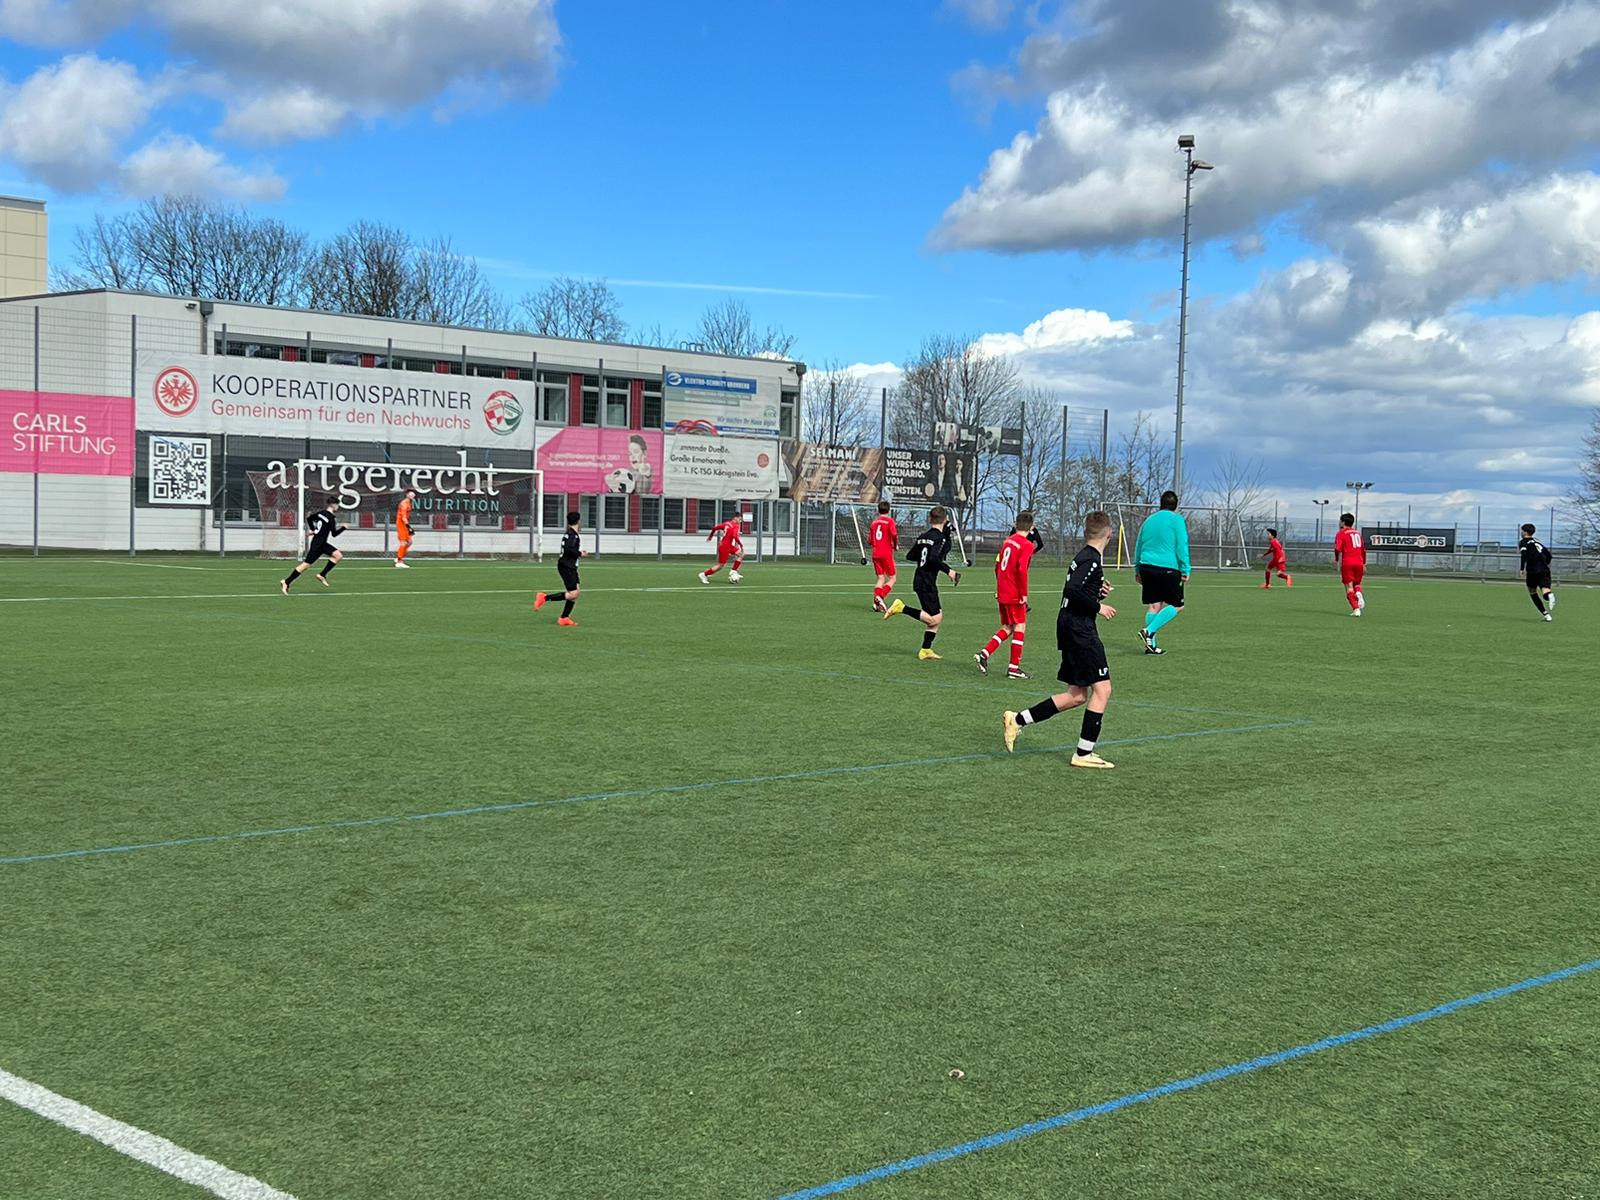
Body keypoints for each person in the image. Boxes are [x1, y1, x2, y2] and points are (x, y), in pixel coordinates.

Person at [1003, 511, 1119, 768]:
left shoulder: (1085, 558)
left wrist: (1097, 593)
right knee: (1103, 689)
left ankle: (1017, 720)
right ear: (1109, 534)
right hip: (1079, 630)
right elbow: (1072, 589)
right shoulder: (1090, 560)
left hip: (1070, 626)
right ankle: (1083, 753)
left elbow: (1080, 590)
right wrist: (1098, 607)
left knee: (1077, 695)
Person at [884, 506, 961, 659]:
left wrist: (924, 551)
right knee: (935, 619)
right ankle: (902, 608)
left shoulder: (923, 536)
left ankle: (926, 649)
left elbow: (910, 556)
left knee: (935, 617)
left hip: (920, 579)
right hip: (926, 582)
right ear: (945, 520)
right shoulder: (940, 538)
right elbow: (934, 558)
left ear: (930, 519)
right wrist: (949, 571)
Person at [976, 511, 1037, 680]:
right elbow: (1021, 569)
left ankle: (984, 654)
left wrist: (1000, 587)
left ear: (1015, 525)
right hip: (1014, 591)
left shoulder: (1007, 542)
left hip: (1003, 589)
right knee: (1020, 626)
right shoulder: (1027, 545)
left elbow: (997, 566)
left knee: (1009, 626)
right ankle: (1013, 668)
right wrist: (1024, 594)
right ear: (1031, 528)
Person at [1134, 490, 1190, 654]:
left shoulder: (1149, 521)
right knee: (1178, 605)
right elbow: (1181, 545)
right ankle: (1149, 631)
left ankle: (1150, 645)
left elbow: (1139, 545)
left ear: (1161, 503)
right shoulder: (1177, 520)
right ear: (1176, 505)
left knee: (1154, 605)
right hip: (1168, 568)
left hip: (1146, 566)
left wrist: (1137, 569)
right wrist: (1185, 568)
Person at [282, 499, 346, 593]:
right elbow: (334, 534)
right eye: (337, 505)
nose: (338, 507)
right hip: (318, 545)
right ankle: (286, 582)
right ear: (333, 505)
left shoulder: (321, 513)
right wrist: (344, 528)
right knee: (305, 565)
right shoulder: (331, 518)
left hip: (321, 543)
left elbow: (309, 519)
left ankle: (322, 575)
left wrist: (314, 530)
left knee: (338, 555)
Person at [534, 511, 584, 626]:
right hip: (567, 567)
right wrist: (580, 553)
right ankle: (544, 598)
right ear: (578, 522)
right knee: (573, 594)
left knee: (576, 592)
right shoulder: (573, 535)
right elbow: (568, 550)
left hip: (569, 566)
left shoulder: (570, 533)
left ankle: (564, 618)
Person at [1518, 523, 1555, 621]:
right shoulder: (1538, 542)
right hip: (1545, 570)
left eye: (1522, 531)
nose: (1521, 533)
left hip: (1533, 570)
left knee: (1532, 592)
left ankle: (1546, 615)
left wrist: (1522, 569)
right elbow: (1549, 556)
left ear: (1525, 532)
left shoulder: (1523, 542)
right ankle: (1550, 596)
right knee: (1545, 591)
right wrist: (1544, 564)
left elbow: (1524, 556)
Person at [1333, 513, 1367, 616]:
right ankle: (1359, 593)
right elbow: (1363, 550)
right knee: (1357, 584)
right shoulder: (1357, 533)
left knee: (1348, 587)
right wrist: (1364, 563)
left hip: (1348, 562)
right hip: (1359, 562)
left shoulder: (1341, 533)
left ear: (1343, 522)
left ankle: (1356, 609)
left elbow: (1337, 548)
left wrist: (1336, 559)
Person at [869, 501, 899, 612]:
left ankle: (876, 604)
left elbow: (870, 541)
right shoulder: (890, 521)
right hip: (886, 553)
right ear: (888, 510)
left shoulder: (874, 523)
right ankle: (880, 596)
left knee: (880, 578)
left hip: (875, 553)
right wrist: (895, 545)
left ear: (878, 510)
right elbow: (894, 534)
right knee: (893, 578)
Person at [699, 512, 745, 584]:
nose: (740, 521)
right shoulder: (735, 525)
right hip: (724, 547)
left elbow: (715, 528)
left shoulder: (727, 524)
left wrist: (710, 536)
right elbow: (735, 536)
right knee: (720, 566)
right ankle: (703, 575)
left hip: (727, 545)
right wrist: (741, 545)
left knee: (741, 554)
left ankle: (733, 571)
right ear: (735, 518)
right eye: (740, 519)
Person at [394, 488, 416, 568]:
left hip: (405, 524)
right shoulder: (404, 503)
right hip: (401, 524)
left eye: (413, 494)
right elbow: (403, 517)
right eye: (411, 494)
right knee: (403, 543)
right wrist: (408, 526)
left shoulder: (409, 503)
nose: (413, 495)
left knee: (409, 542)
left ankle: (399, 557)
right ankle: (399, 561)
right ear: (407, 495)